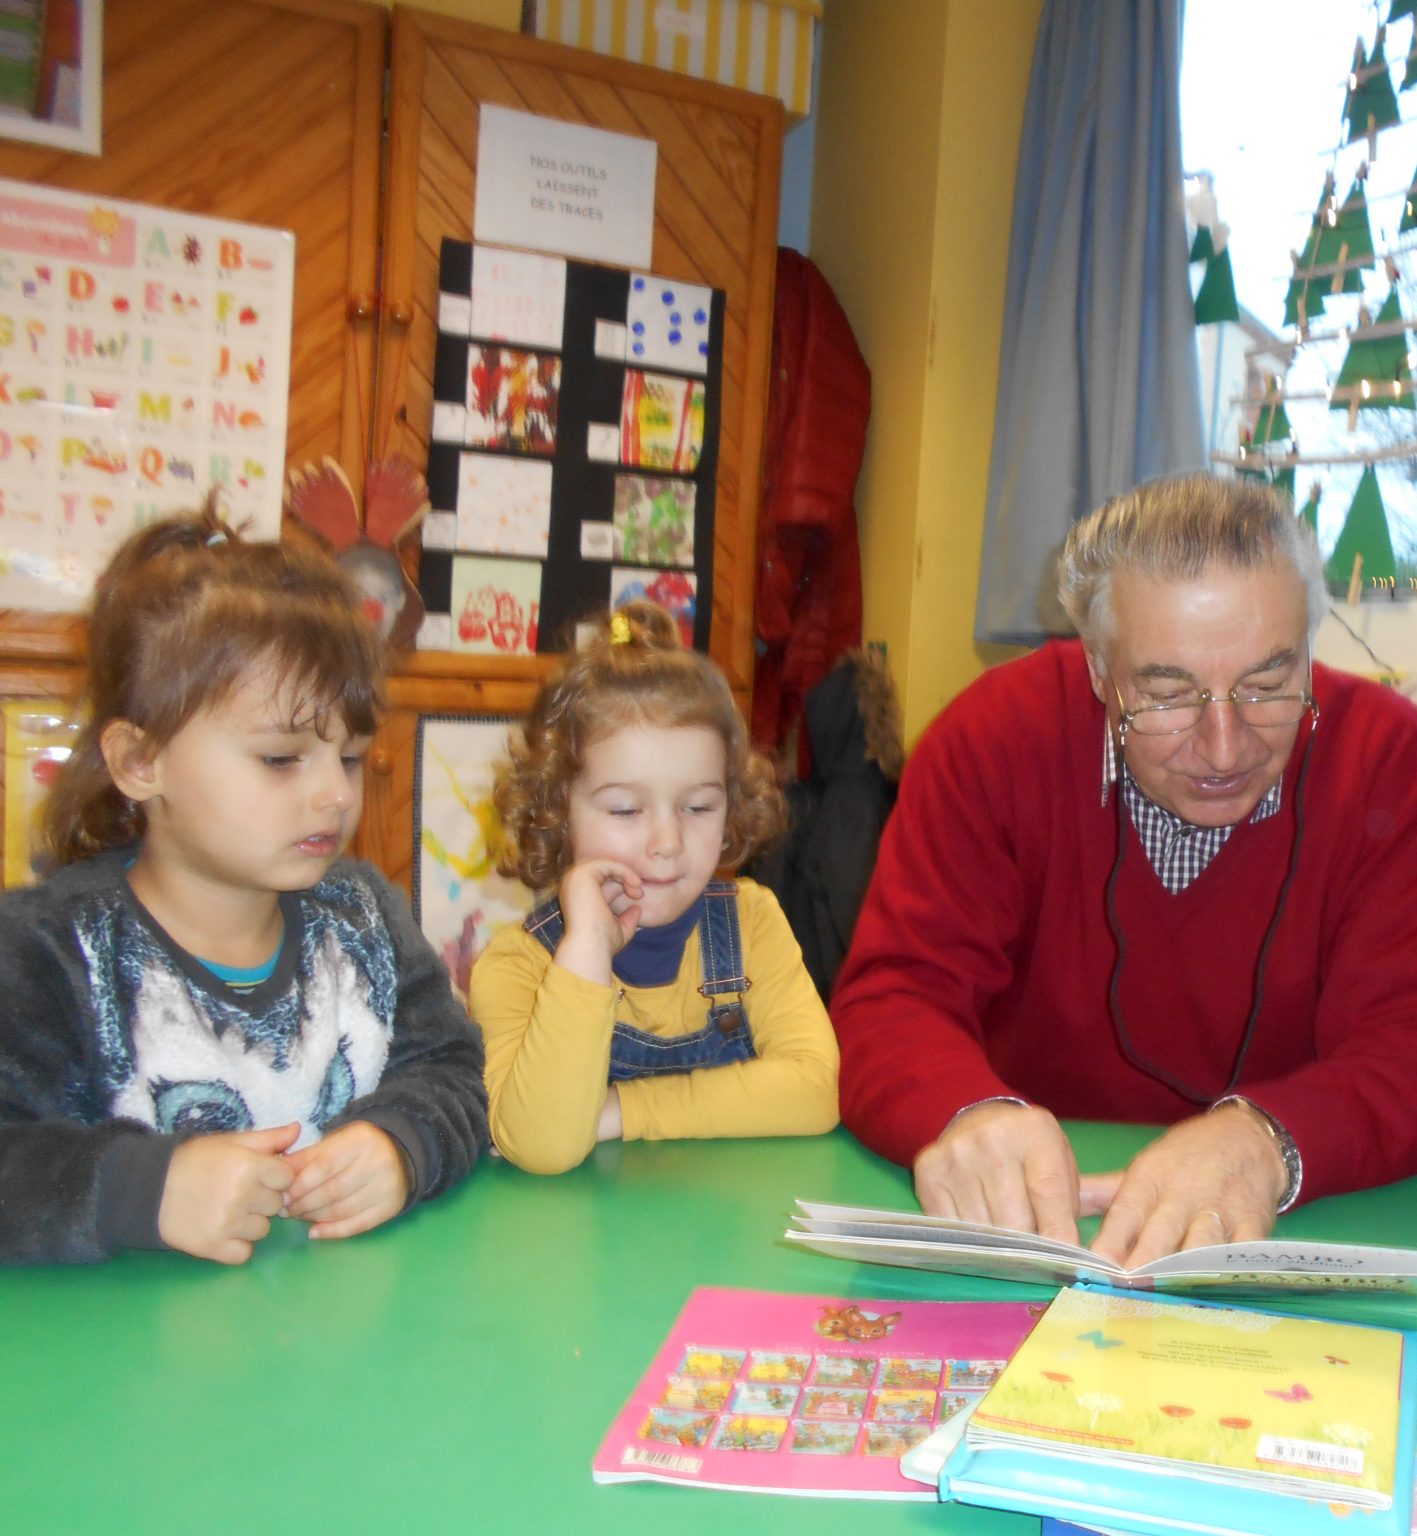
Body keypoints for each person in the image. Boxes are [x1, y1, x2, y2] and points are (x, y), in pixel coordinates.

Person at [832, 473, 1417, 1267]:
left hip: (1297, 1228)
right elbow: (895, 997)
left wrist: (1267, 1142)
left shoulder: (1391, 758)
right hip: (1038, 1231)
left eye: (1268, 684)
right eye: (1167, 693)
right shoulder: (990, 739)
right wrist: (965, 1112)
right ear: (1099, 671)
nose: (1225, 746)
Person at [0, 512, 488, 1267]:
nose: (334, 794)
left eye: (351, 758)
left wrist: (402, 1142)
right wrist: (145, 1189)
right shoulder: (47, 951)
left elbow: (455, 1072)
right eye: (281, 759)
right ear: (139, 761)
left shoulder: (364, 914)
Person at [470, 603, 838, 1174]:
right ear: (557, 812)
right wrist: (588, 948)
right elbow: (541, 1145)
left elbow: (816, 1089)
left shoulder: (754, 922)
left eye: (698, 806)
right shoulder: (517, 967)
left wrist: (620, 1111)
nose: (667, 841)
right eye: (625, 808)